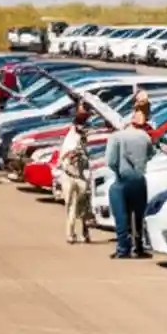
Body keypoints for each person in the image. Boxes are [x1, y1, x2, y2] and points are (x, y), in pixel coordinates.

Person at [105, 108, 155, 258]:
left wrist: (119, 170)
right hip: (139, 179)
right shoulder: (145, 137)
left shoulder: (116, 137)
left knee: (121, 216)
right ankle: (138, 247)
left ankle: (123, 248)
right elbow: (150, 155)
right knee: (138, 216)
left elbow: (111, 161)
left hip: (122, 179)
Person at [59, 101, 93, 244]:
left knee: (84, 205)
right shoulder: (71, 135)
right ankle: (70, 233)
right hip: (68, 174)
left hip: (82, 175)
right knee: (70, 205)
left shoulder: (89, 134)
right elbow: (64, 155)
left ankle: (85, 231)